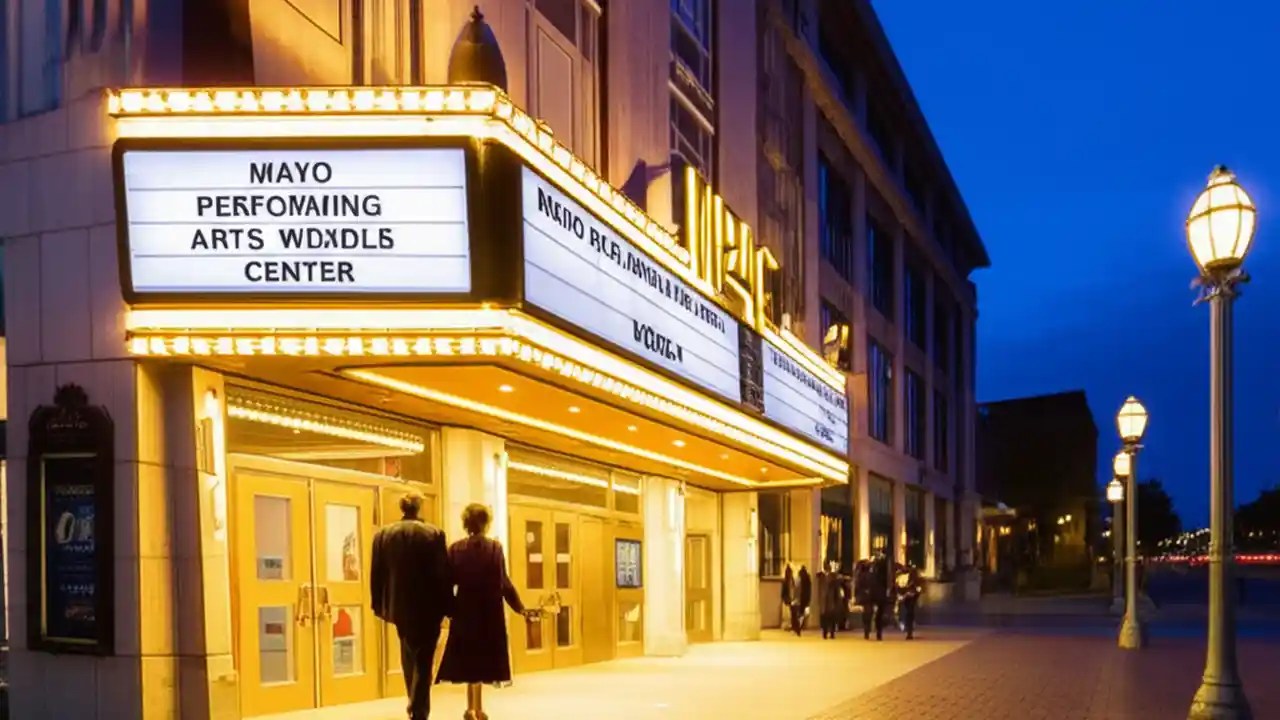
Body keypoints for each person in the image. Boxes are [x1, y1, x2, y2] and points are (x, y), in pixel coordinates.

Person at [436, 504, 540, 720]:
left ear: (465, 523)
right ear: (486, 523)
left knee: (469, 661)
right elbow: (503, 583)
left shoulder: (455, 549)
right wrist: (519, 607)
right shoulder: (495, 548)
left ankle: (472, 707)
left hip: (465, 608)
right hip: (488, 610)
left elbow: (447, 582)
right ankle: (477, 708)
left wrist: (449, 610)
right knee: (482, 660)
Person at [371, 493, 452, 720]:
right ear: (419, 508)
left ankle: (413, 701)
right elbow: (442, 573)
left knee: (407, 652)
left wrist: (378, 603)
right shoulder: (434, 534)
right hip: (428, 605)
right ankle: (418, 709)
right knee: (424, 657)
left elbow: (376, 572)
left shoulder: (383, 535)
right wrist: (448, 605)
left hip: (398, 604)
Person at [896, 563, 924, 640]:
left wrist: (912, 593)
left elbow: (916, 586)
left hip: (910, 596)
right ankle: (907, 628)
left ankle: (909, 631)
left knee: (909, 613)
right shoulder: (899, 576)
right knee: (905, 613)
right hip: (903, 597)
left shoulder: (912, 576)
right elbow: (897, 586)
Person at [818, 562, 846, 639]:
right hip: (828, 601)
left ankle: (828, 633)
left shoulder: (828, 578)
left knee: (828, 618)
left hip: (829, 601)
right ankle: (828, 633)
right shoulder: (825, 577)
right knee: (828, 618)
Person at [781, 566, 801, 635]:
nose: (790, 574)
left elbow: (796, 589)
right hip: (789, 600)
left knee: (795, 614)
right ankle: (795, 628)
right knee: (793, 615)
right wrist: (786, 600)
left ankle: (796, 628)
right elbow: (783, 593)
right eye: (789, 572)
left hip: (794, 599)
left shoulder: (793, 580)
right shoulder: (785, 582)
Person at [797, 565, 813, 634]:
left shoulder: (800, 578)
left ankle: (799, 625)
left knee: (800, 612)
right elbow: (809, 589)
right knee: (804, 612)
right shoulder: (807, 578)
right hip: (806, 597)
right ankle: (802, 624)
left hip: (800, 597)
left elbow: (798, 588)